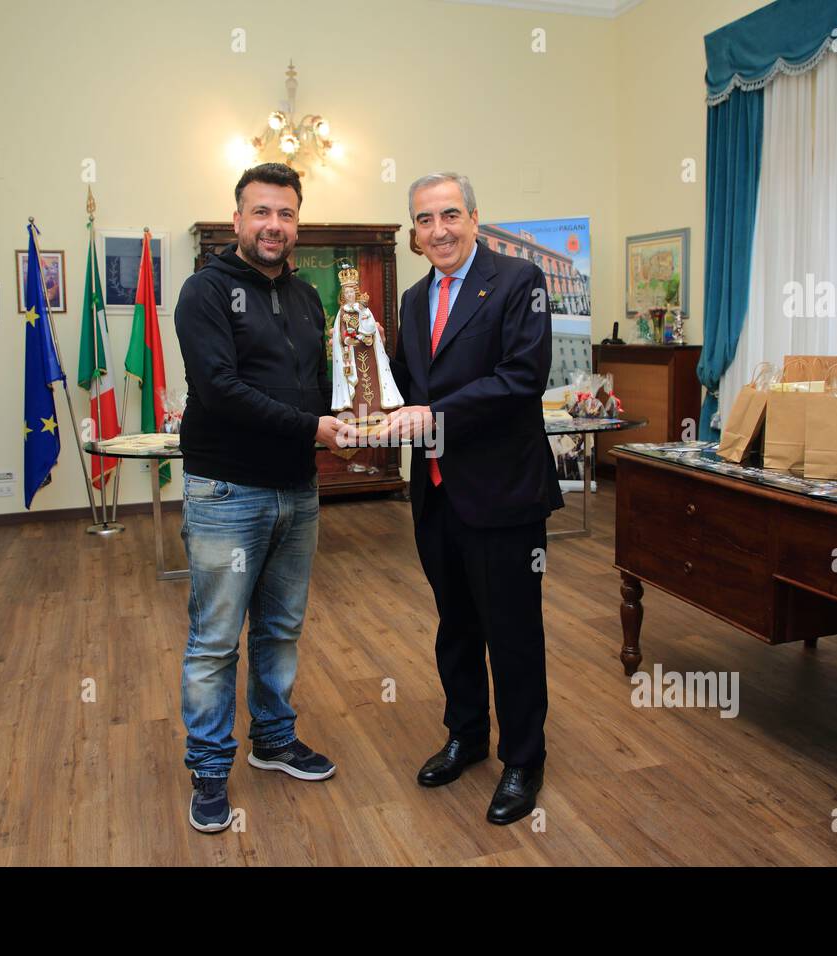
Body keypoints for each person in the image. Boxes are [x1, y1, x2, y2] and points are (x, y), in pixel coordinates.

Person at [173, 162, 349, 834]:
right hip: (226, 490)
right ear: (238, 219)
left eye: (287, 214)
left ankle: (274, 742)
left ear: (296, 222)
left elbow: (317, 387)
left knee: (280, 630)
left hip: (296, 490)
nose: (275, 225)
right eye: (262, 212)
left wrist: (357, 419)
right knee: (215, 640)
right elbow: (219, 390)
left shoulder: (307, 298)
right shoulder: (205, 292)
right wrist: (316, 429)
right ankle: (211, 770)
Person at [384, 171, 563, 825]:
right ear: (414, 231)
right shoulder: (411, 298)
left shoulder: (518, 283)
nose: (439, 230)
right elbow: (407, 383)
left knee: (511, 633)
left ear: (475, 218)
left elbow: (521, 377)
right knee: (454, 627)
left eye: (450, 215)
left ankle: (523, 759)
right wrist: (366, 399)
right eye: (425, 220)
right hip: (434, 495)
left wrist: (428, 415)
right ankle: (466, 735)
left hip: (503, 493)